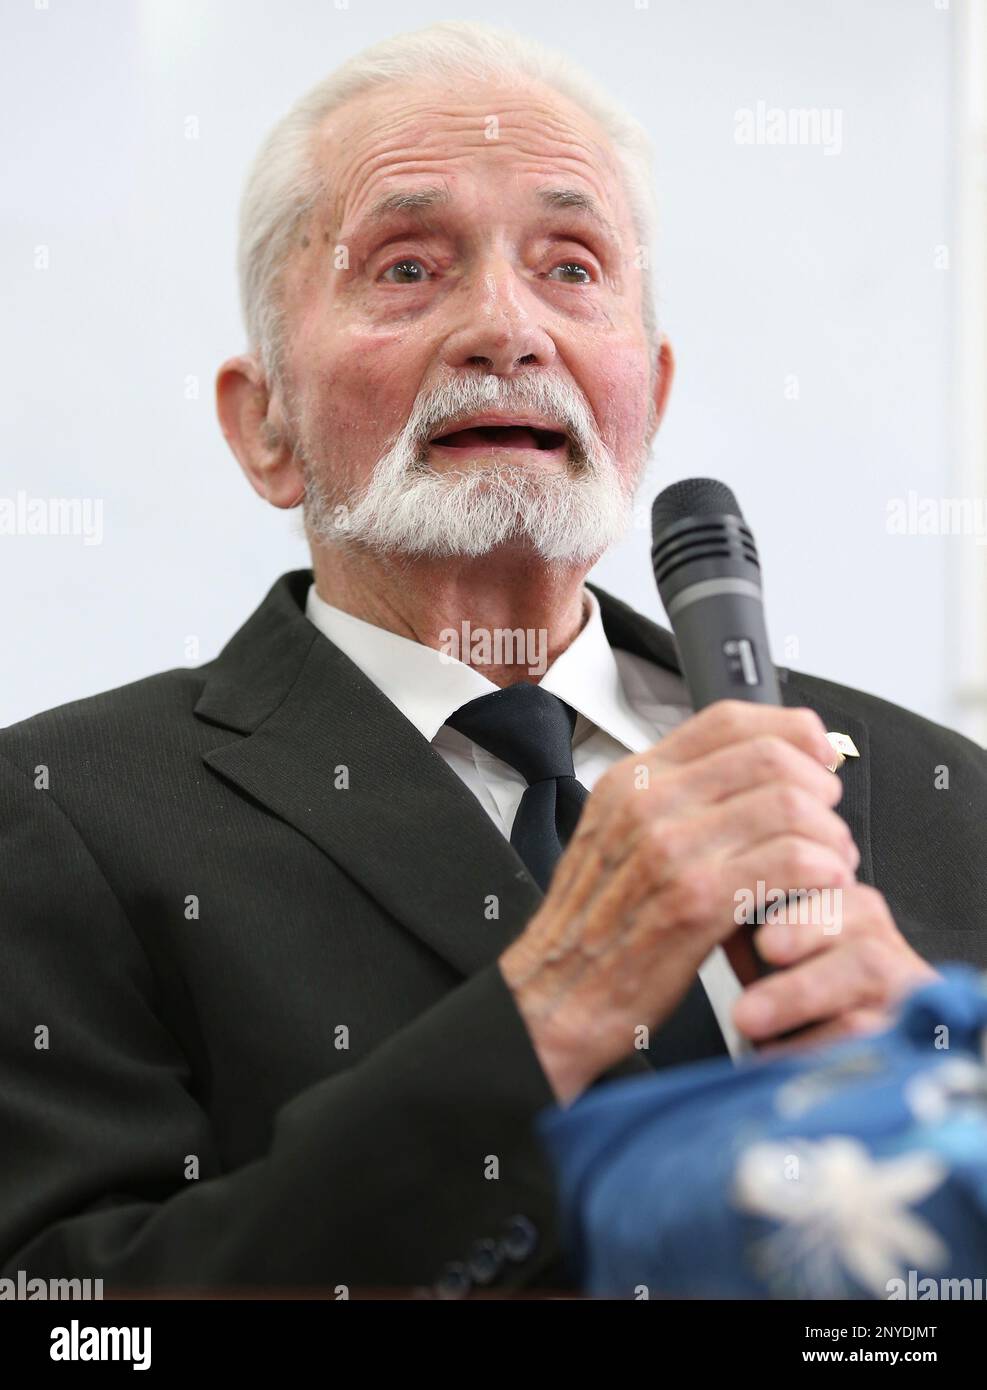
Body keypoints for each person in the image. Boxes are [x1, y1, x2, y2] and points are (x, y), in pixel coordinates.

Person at [1, 20, 984, 1299]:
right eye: (408, 267)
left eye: (572, 268)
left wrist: (952, 1074)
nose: (505, 330)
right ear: (266, 424)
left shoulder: (938, 794)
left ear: (651, 396)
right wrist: (549, 1014)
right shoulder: (63, 815)